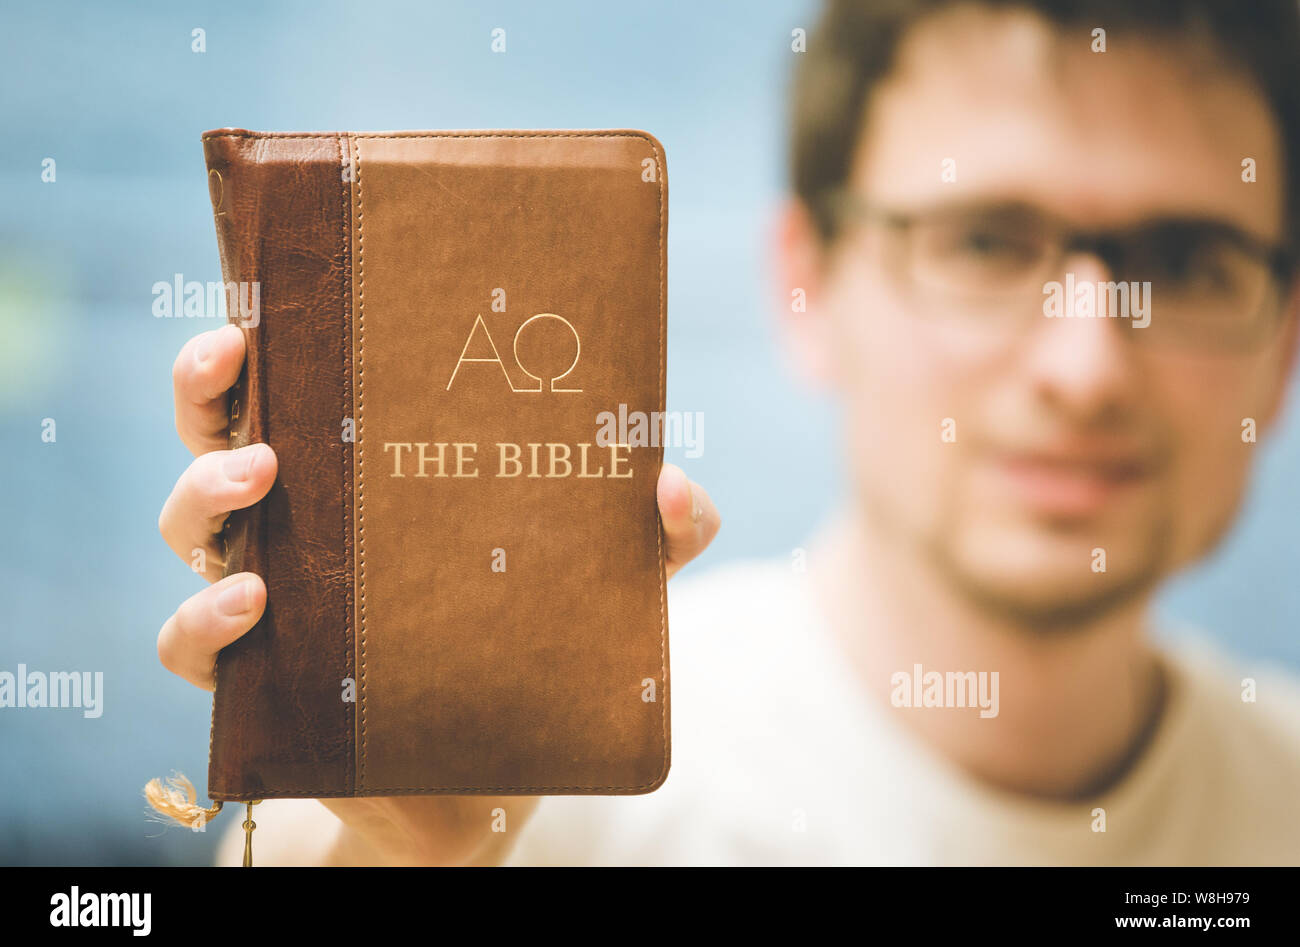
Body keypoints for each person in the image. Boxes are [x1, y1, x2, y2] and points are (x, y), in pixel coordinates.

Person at [158, 0, 1300, 865]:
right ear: (805, 285)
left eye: (1190, 265)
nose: (1085, 364)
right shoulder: (492, 786)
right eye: (987, 244)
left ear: (1286, 336)